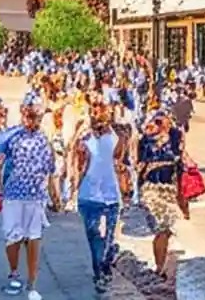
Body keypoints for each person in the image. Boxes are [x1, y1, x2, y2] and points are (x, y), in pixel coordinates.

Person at [0, 93, 55, 300]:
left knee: (34, 237)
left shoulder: (44, 140)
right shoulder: (13, 136)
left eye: (35, 116)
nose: (31, 120)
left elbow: (50, 168)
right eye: (28, 115)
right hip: (14, 194)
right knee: (13, 237)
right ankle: (14, 274)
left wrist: (52, 194)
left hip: (35, 196)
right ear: (22, 114)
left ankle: (32, 283)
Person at [74, 101, 123, 294]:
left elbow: (122, 162)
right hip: (89, 196)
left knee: (105, 238)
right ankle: (100, 270)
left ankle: (103, 267)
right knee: (95, 237)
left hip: (109, 197)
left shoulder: (117, 137)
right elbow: (77, 165)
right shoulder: (85, 138)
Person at [136, 110, 190, 282]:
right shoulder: (145, 140)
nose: (159, 125)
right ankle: (160, 267)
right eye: (156, 121)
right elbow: (139, 164)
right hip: (150, 188)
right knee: (161, 227)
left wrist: (183, 201)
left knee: (166, 230)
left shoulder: (175, 138)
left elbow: (180, 167)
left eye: (163, 121)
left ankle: (161, 264)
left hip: (168, 189)